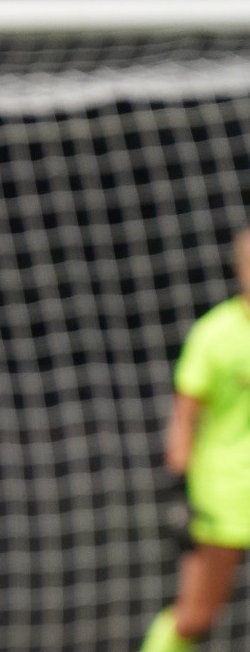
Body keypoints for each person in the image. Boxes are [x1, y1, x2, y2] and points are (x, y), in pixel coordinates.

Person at [140, 226, 250, 652]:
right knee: (195, 617)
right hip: (223, 495)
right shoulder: (214, 335)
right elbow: (184, 418)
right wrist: (177, 491)